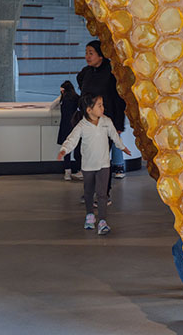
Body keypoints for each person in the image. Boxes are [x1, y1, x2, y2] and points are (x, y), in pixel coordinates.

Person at [57, 94, 130, 235]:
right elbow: (72, 139)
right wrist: (64, 150)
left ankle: (102, 221)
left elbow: (114, 135)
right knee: (89, 192)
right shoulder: (82, 125)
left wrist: (122, 147)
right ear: (89, 110)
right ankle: (90, 216)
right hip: (88, 166)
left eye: (102, 104)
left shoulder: (106, 121)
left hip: (104, 164)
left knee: (102, 194)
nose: (103, 108)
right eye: (99, 105)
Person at [76, 40, 128, 180]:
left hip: (105, 122)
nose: (87, 56)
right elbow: (80, 83)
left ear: (101, 56)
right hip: (88, 122)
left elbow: (118, 100)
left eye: (91, 53)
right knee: (87, 156)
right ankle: (90, 192)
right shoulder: (86, 72)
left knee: (101, 159)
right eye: (86, 53)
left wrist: (118, 124)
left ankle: (103, 194)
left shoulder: (111, 73)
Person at [50, 80, 81, 181]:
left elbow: (52, 106)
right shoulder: (77, 97)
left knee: (66, 149)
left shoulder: (63, 99)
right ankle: (80, 170)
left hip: (65, 126)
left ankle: (67, 172)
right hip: (76, 126)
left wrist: (61, 96)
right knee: (78, 149)